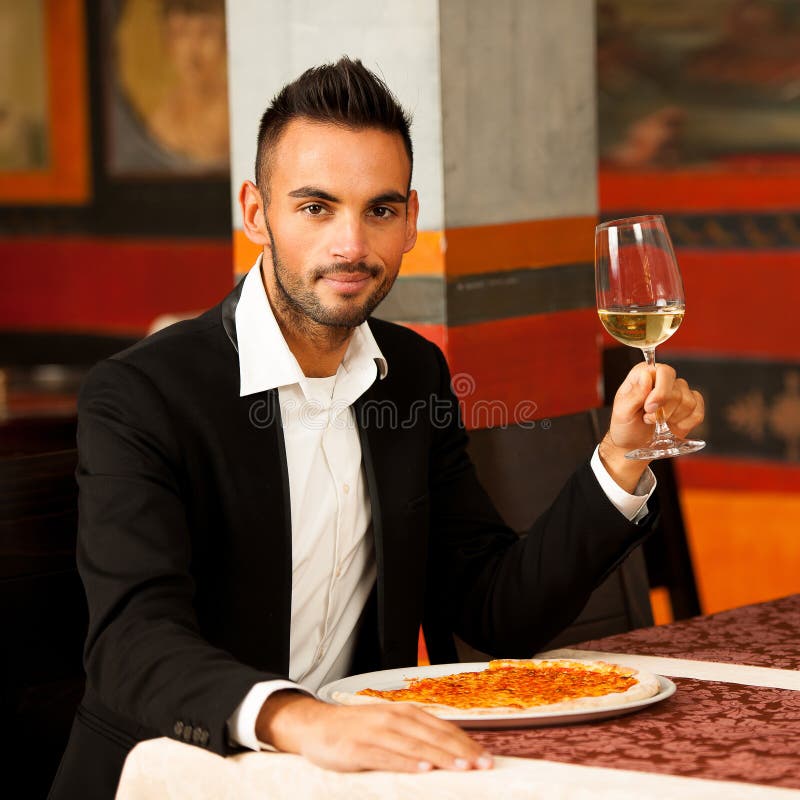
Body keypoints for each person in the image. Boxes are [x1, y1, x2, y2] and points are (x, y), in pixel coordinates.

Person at [50, 58, 704, 798]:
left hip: (358, 778)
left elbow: (495, 611)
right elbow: (133, 643)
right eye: (316, 207)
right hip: (177, 775)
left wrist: (620, 461)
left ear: (412, 220)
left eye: (380, 211)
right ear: (257, 212)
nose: (352, 245)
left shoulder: (415, 372)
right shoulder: (141, 395)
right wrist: (301, 719)